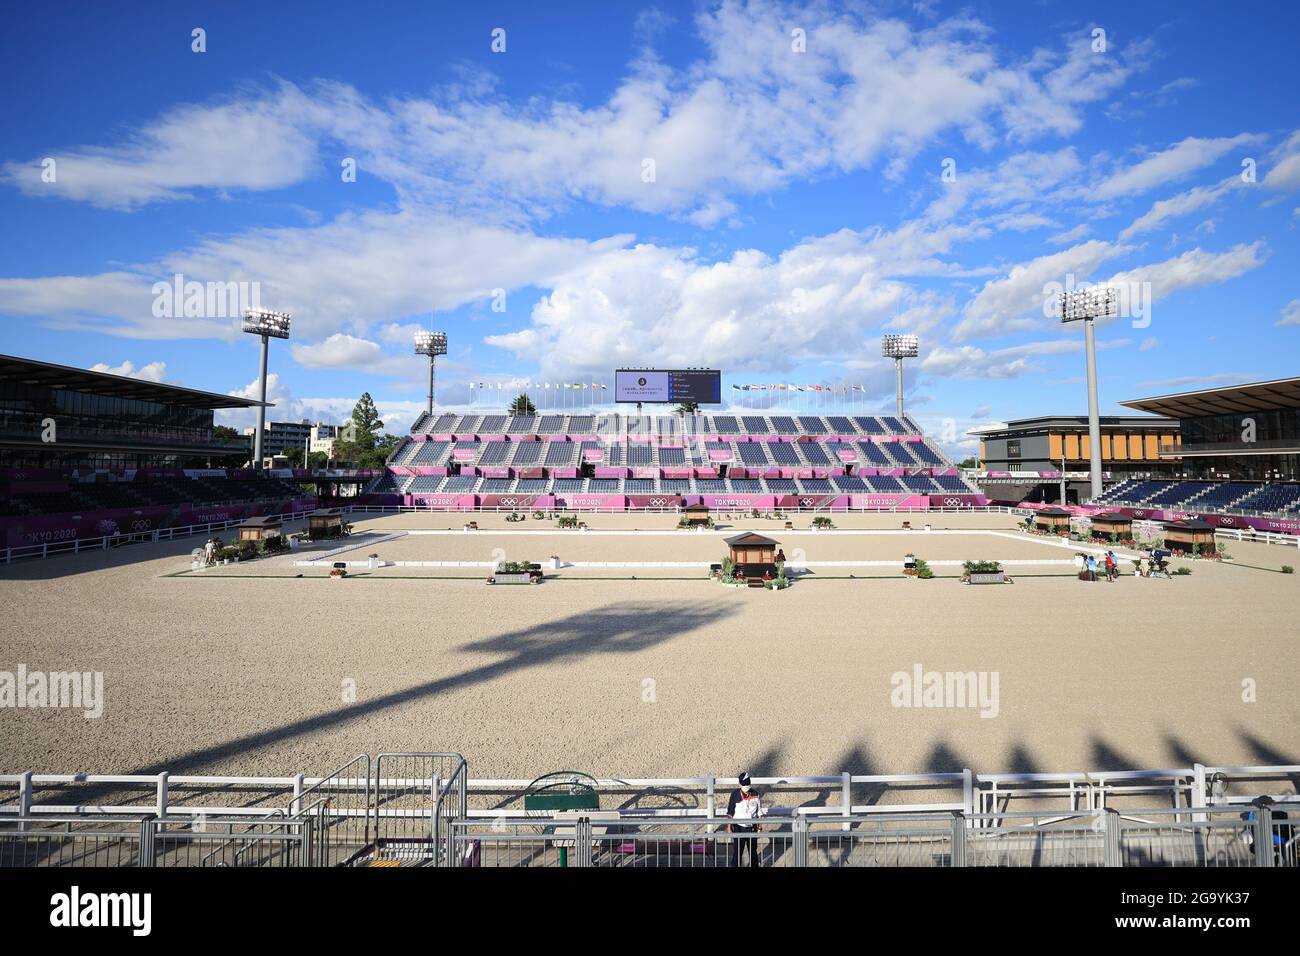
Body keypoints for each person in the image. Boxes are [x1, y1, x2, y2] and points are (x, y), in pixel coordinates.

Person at [727, 771, 763, 867]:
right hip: (738, 827)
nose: (746, 786)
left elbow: (759, 812)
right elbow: (730, 812)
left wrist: (759, 827)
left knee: (753, 852)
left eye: (748, 784)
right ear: (739, 784)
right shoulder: (735, 794)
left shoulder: (755, 793)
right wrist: (729, 827)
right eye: (744, 784)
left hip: (752, 827)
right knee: (737, 852)